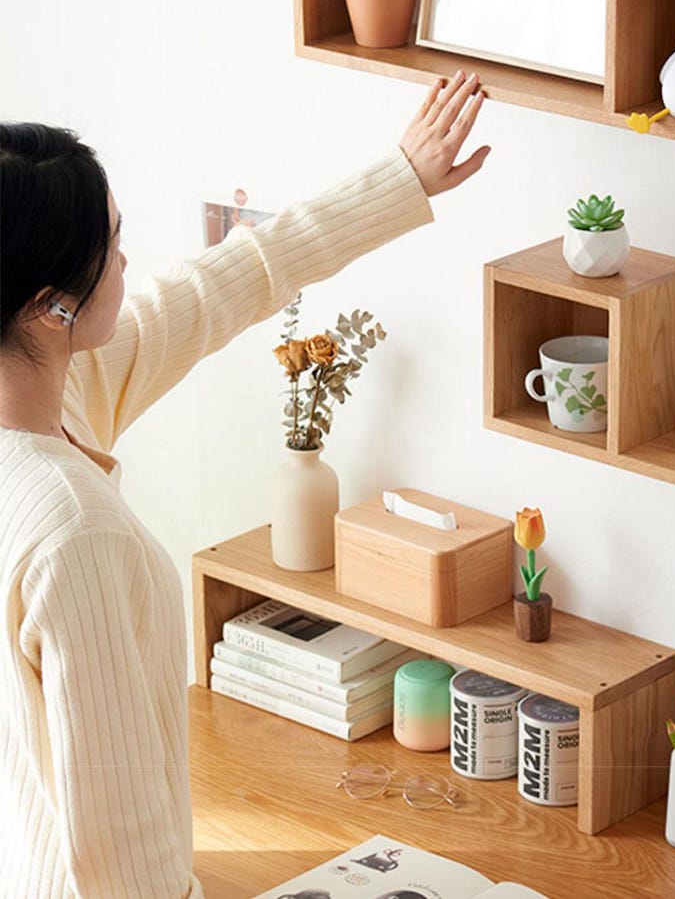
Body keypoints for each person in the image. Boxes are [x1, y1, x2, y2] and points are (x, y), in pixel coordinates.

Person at [0, 71, 489, 898]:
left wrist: (400, 179)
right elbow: (122, 859)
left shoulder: (64, 390)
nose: (127, 261)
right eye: (112, 245)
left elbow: (219, 287)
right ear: (53, 307)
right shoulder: (73, 532)